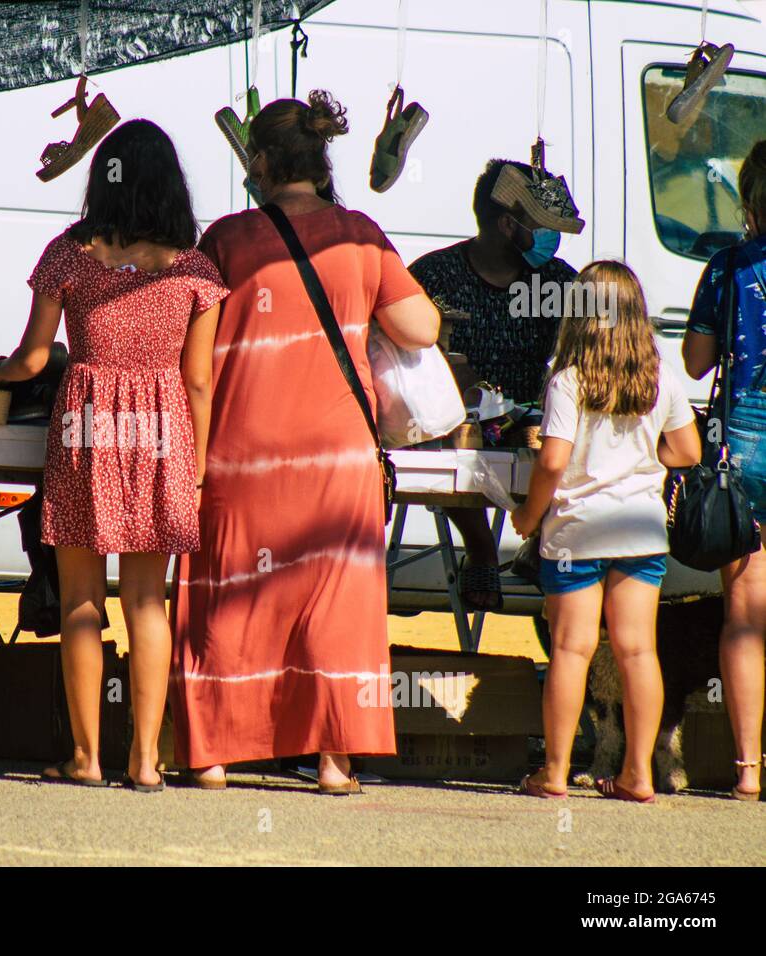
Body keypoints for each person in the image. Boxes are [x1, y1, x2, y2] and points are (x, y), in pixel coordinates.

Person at [171, 91, 439, 792]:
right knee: (333, 605)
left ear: (259, 161)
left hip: (242, 452)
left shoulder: (227, 241)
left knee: (234, 599)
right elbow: (423, 329)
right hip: (336, 457)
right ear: (320, 160)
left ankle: (215, 754)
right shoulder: (360, 236)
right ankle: (333, 759)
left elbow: (187, 352)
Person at [0, 119, 227, 792]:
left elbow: (34, 357)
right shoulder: (197, 270)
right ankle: (146, 760)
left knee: (81, 601)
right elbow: (200, 380)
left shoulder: (69, 254)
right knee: (149, 602)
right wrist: (197, 466)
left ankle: (87, 758)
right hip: (163, 431)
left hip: (86, 426)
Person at [513, 261, 700, 803]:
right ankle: (639, 775)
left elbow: (552, 461)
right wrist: (644, 461)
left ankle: (552, 773)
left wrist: (526, 516)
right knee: (638, 652)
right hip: (640, 531)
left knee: (571, 651)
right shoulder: (659, 377)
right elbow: (688, 451)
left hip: (577, 532)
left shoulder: (568, 379)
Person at [409, 159, 582, 611]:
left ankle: (541, 542)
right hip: (455, 422)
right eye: (541, 226)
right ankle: (482, 549)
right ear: (508, 224)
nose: (552, 238)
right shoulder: (434, 277)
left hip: (536, 419)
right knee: (449, 434)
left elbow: (593, 353)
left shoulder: (559, 281)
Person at [682, 138, 766, 802]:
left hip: (743, 450)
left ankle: (747, 770)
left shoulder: (727, 266)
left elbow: (695, 363)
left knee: (743, 612)